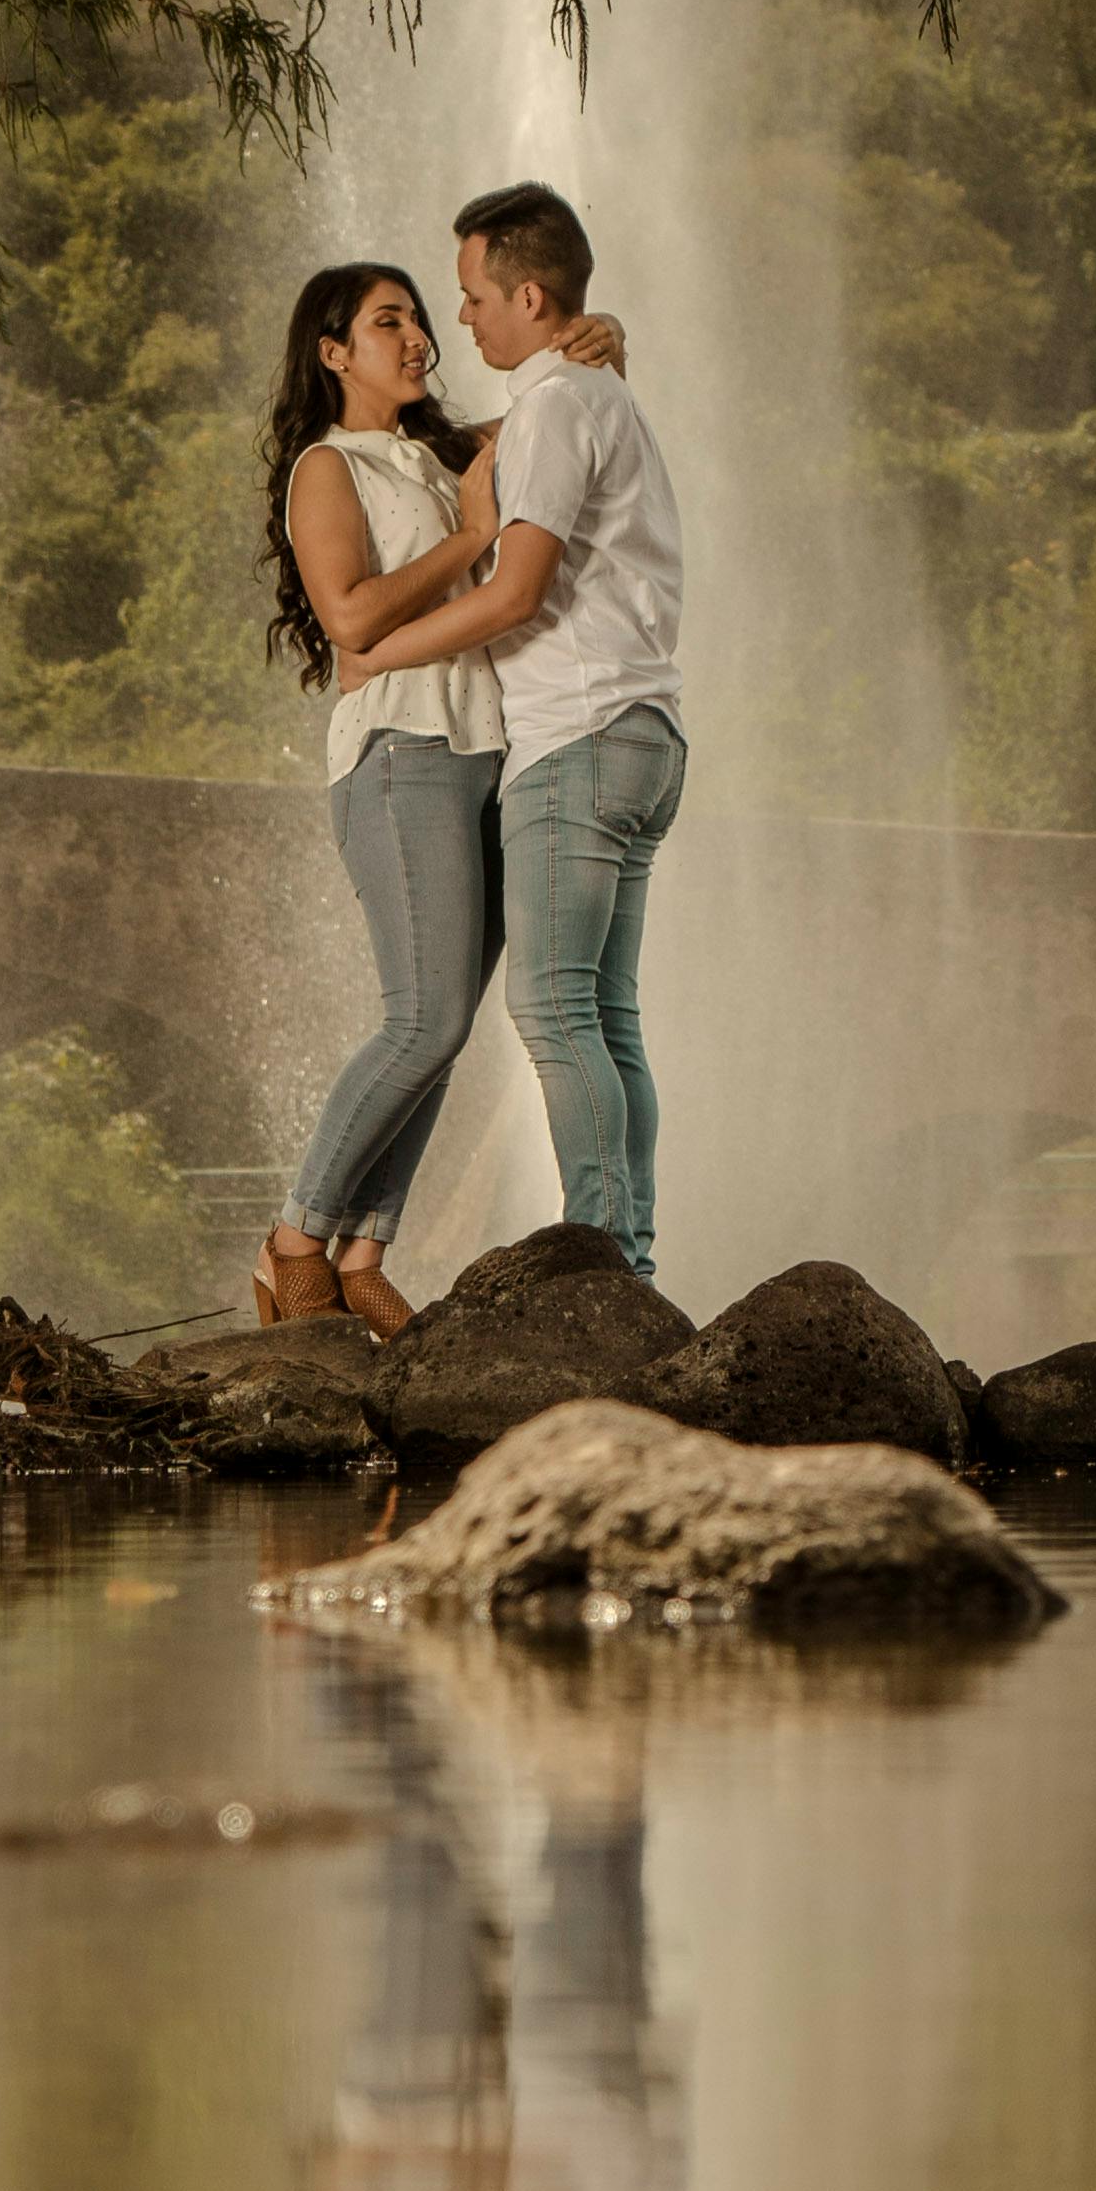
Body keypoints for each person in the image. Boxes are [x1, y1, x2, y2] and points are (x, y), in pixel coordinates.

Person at [254, 259, 628, 1336]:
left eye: (419, 318)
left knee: (448, 1023)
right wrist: (468, 541)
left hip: (488, 755)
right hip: (398, 753)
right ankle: (293, 1240)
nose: (417, 337)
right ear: (333, 353)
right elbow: (350, 619)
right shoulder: (327, 470)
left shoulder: (446, 454)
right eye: (387, 322)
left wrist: (595, 340)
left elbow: (558, 428)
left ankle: (365, 1247)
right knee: (421, 1018)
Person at [341, 183, 685, 1277]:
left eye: (473, 299)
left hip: (575, 740)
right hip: (645, 732)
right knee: (607, 1016)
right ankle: (629, 1255)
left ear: (527, 295)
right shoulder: (594, 396)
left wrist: (379, 655)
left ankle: (605, 1265)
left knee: (551, 1009)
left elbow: (517, 594)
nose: (461, 325)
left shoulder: (551, 405)